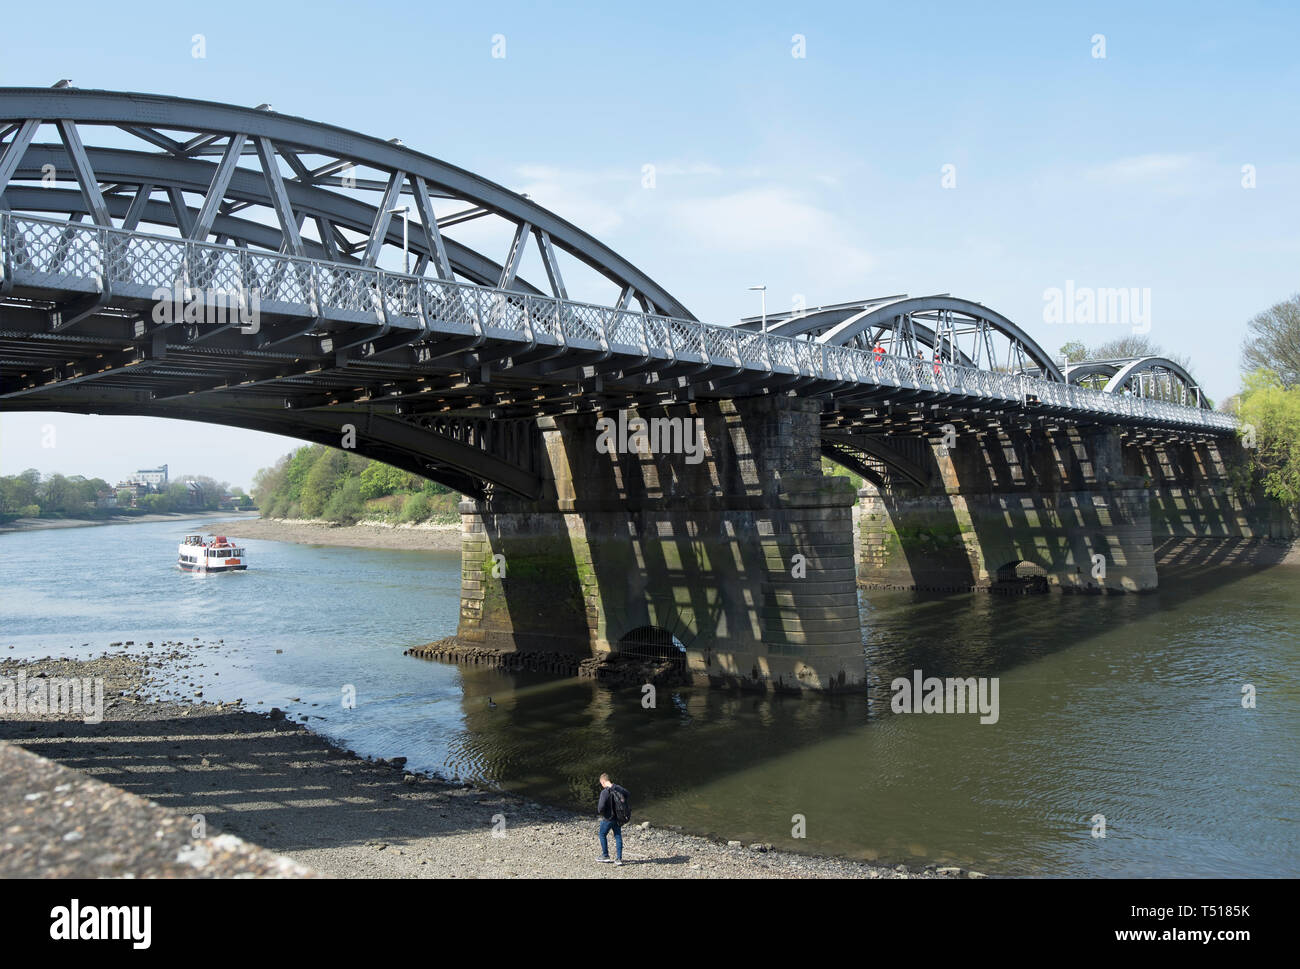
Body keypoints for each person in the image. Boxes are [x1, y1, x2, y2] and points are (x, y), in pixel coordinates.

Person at [596, 773, 630, 866]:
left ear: (603, 782)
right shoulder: (618, 788)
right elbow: (627, 794)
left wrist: (603, 814)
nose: (602, 785)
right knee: (618, 836)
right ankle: (618, 859)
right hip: (619, 818)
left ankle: (605, 855)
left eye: (601, 783)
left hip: (608, 818)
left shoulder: (604, 792)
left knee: (602, 834)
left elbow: (600, 807)